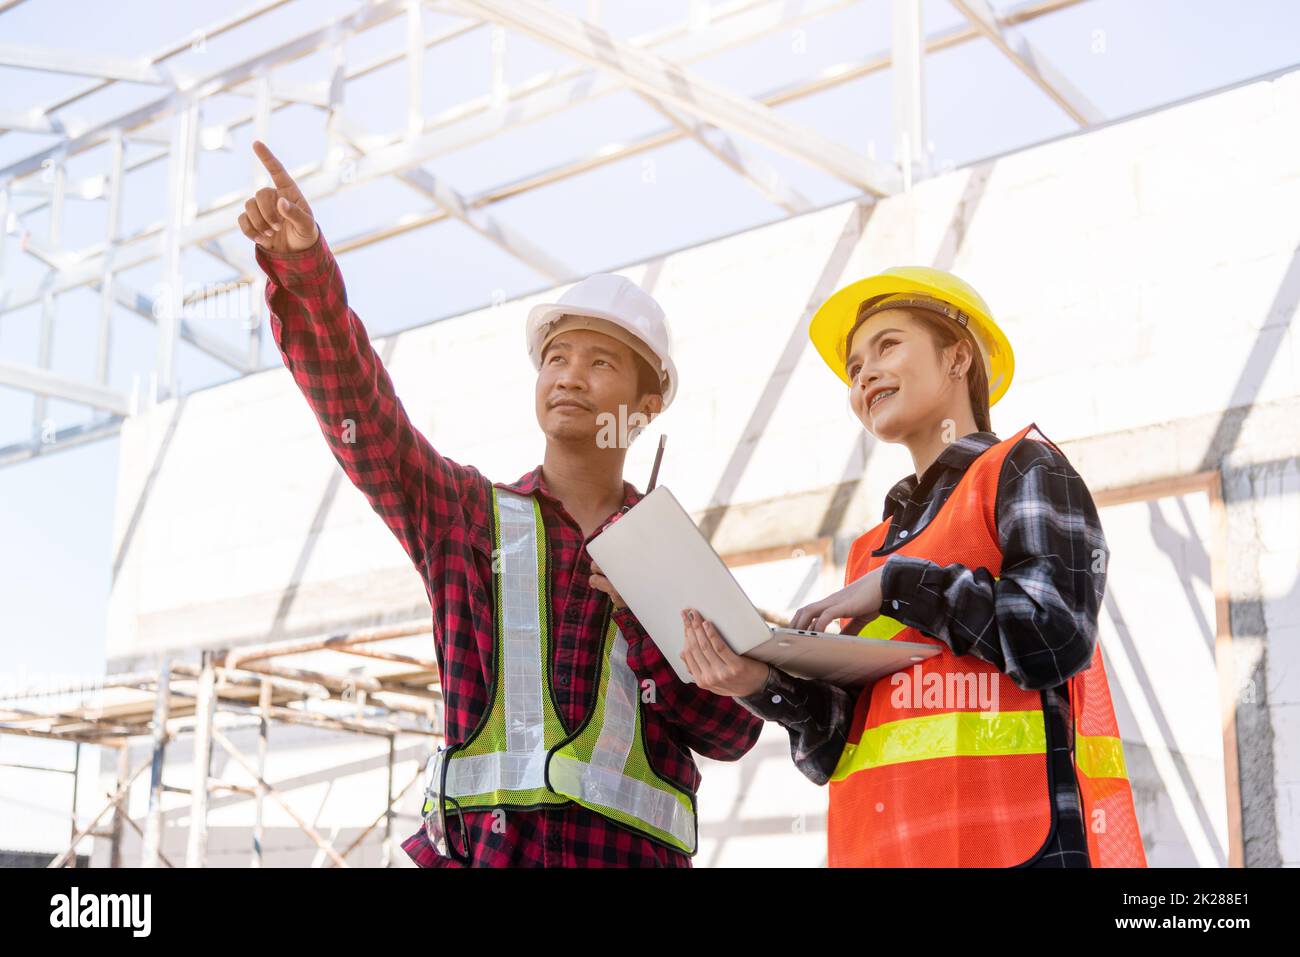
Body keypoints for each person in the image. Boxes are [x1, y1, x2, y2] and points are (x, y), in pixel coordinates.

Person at [238, 140, 762, 867]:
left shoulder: (673, 556)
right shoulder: (463, 516)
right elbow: (361, 412)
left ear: (644, 407)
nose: (569, 376)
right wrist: (307, 273)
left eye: (600, 361)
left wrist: (649, 625)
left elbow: (733, 729)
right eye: (557, 357)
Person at [680, 266, 1147, 867]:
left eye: (887, 346)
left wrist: (900, 584)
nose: (864, 374)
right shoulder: (871, 546)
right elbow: (837, 745)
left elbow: (1053, 636)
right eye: (854, 368)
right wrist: (758, 684)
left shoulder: (1023, 469)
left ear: (957, 358)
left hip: (1010, 847)